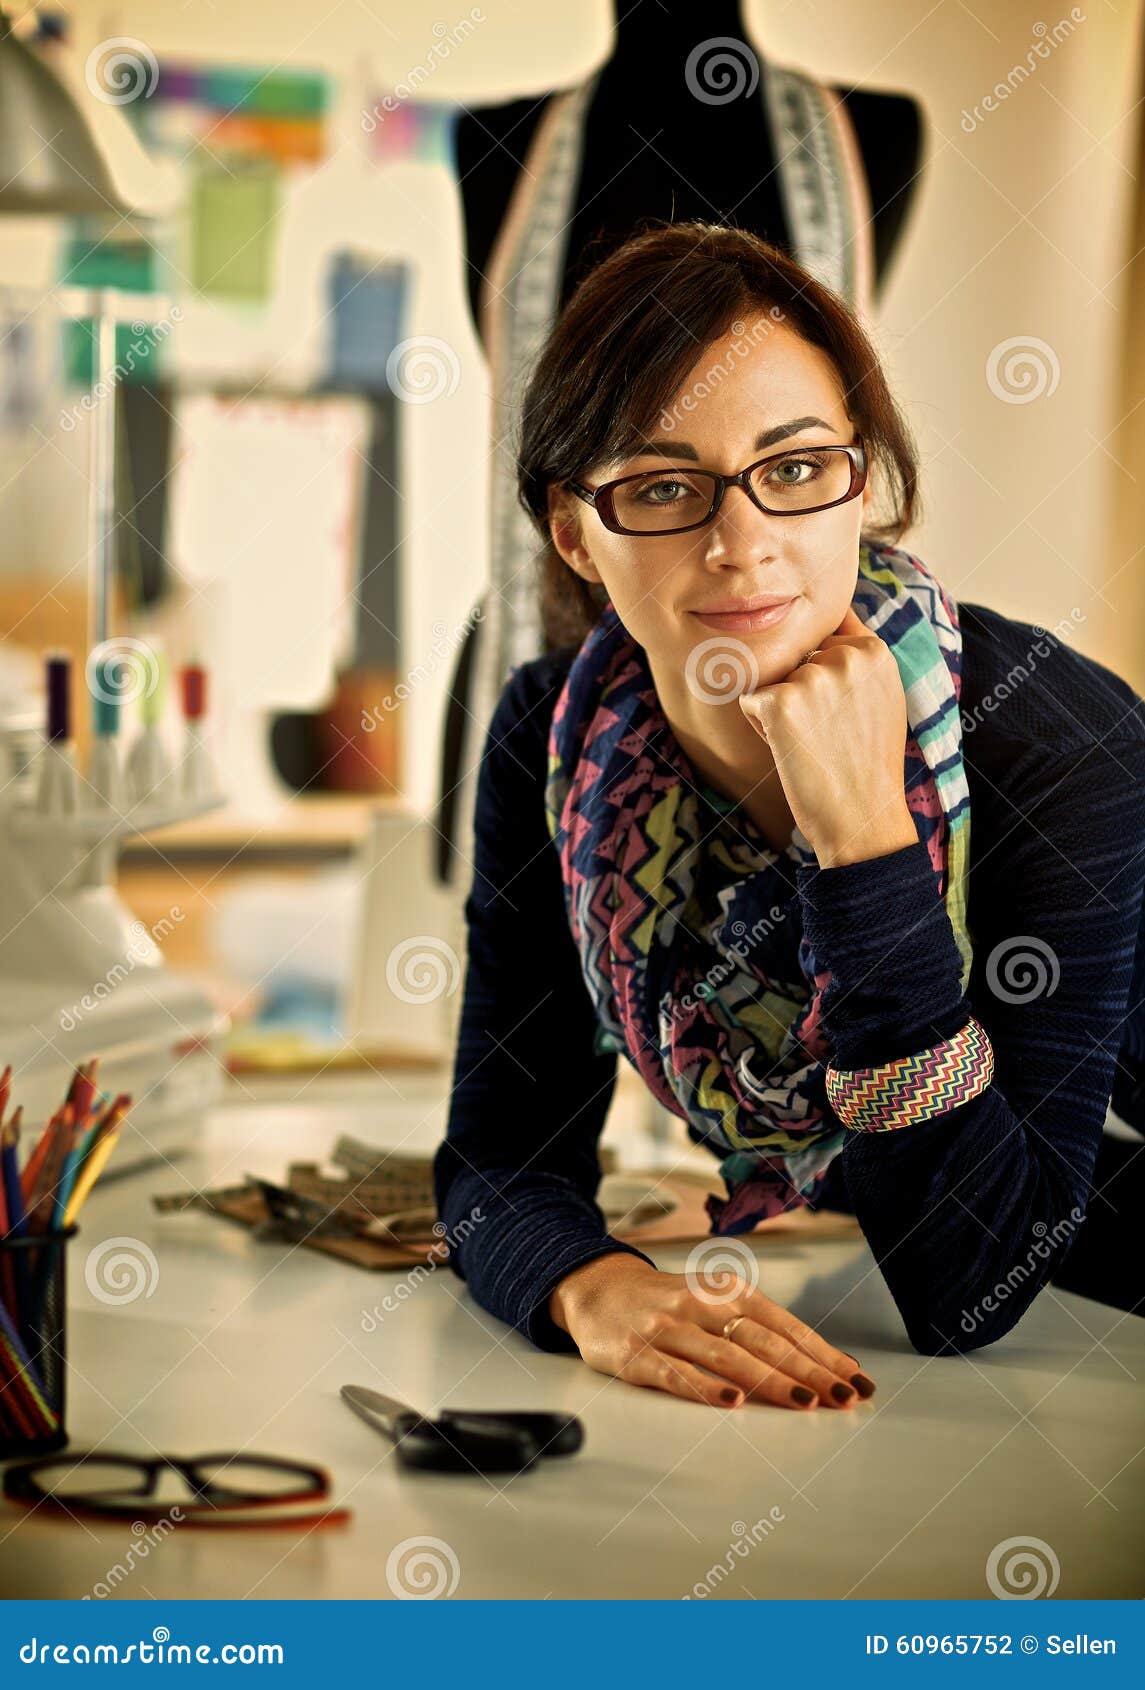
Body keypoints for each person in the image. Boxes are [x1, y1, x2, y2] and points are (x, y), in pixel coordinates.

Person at [433, 221, 1145, 1414]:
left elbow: (969, 1283)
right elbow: (499, 1147)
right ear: (571, 531)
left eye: (797, 467)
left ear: (859, 485)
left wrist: (861, 834)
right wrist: (584, 1280)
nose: (741, 543)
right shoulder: (553, 734)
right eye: (662, 487)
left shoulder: (1052, 740)